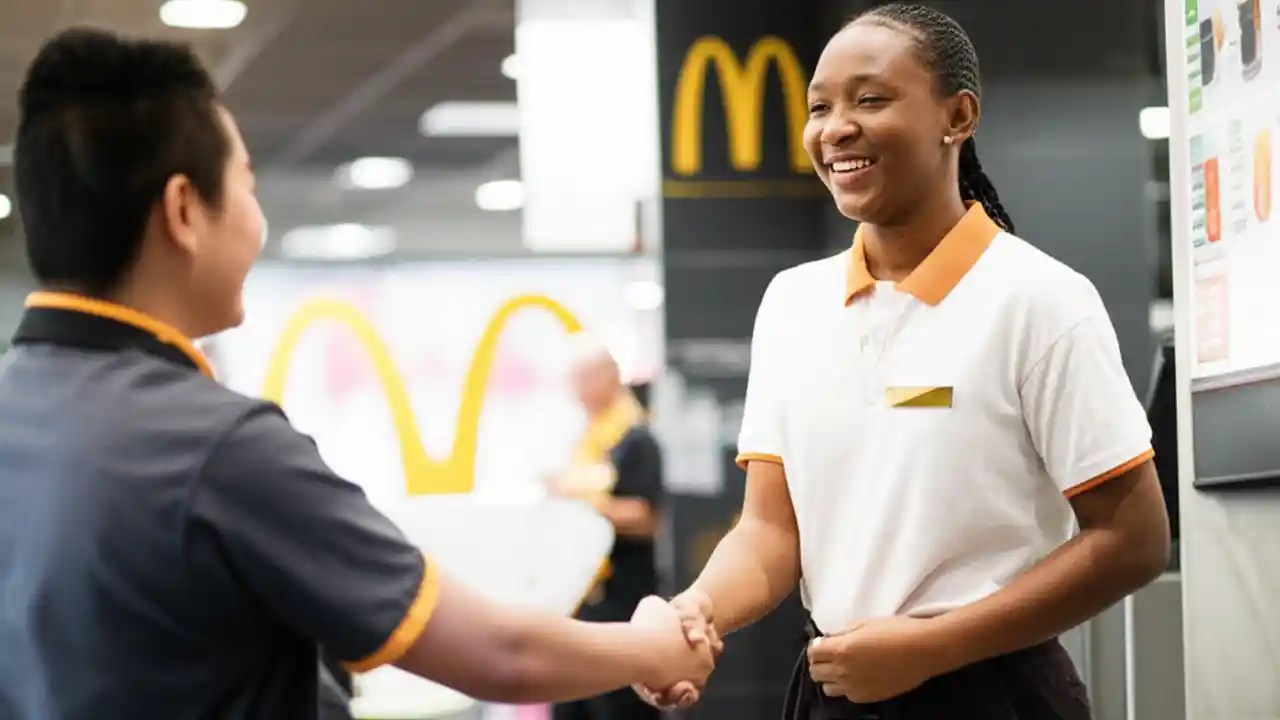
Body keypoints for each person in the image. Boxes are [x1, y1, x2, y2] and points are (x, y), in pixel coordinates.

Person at [0, 28, 714, 720]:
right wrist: (652, 649)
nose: (257, 220)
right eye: (247, 186)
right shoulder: (214, 447)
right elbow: (498, 654)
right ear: (185, 211)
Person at [636, 5, 1171, 719]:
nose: (835, 128)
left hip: (993, 693)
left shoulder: (1039, 300)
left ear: (958, 115)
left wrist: (932, 647)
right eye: (819, 106)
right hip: (836, 690)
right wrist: (695, 613)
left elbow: (1133, 539)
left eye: (871, 98)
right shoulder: (793, 303)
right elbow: (770, 532)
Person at [550, 338, 667, 720]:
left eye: (583, 378)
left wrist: (583, 504)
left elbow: (646, 517)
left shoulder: (636, 440)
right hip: (581, 599)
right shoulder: (588, 441)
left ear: (611, 377)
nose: (576, 391)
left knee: (619, 705)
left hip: (622, 601)